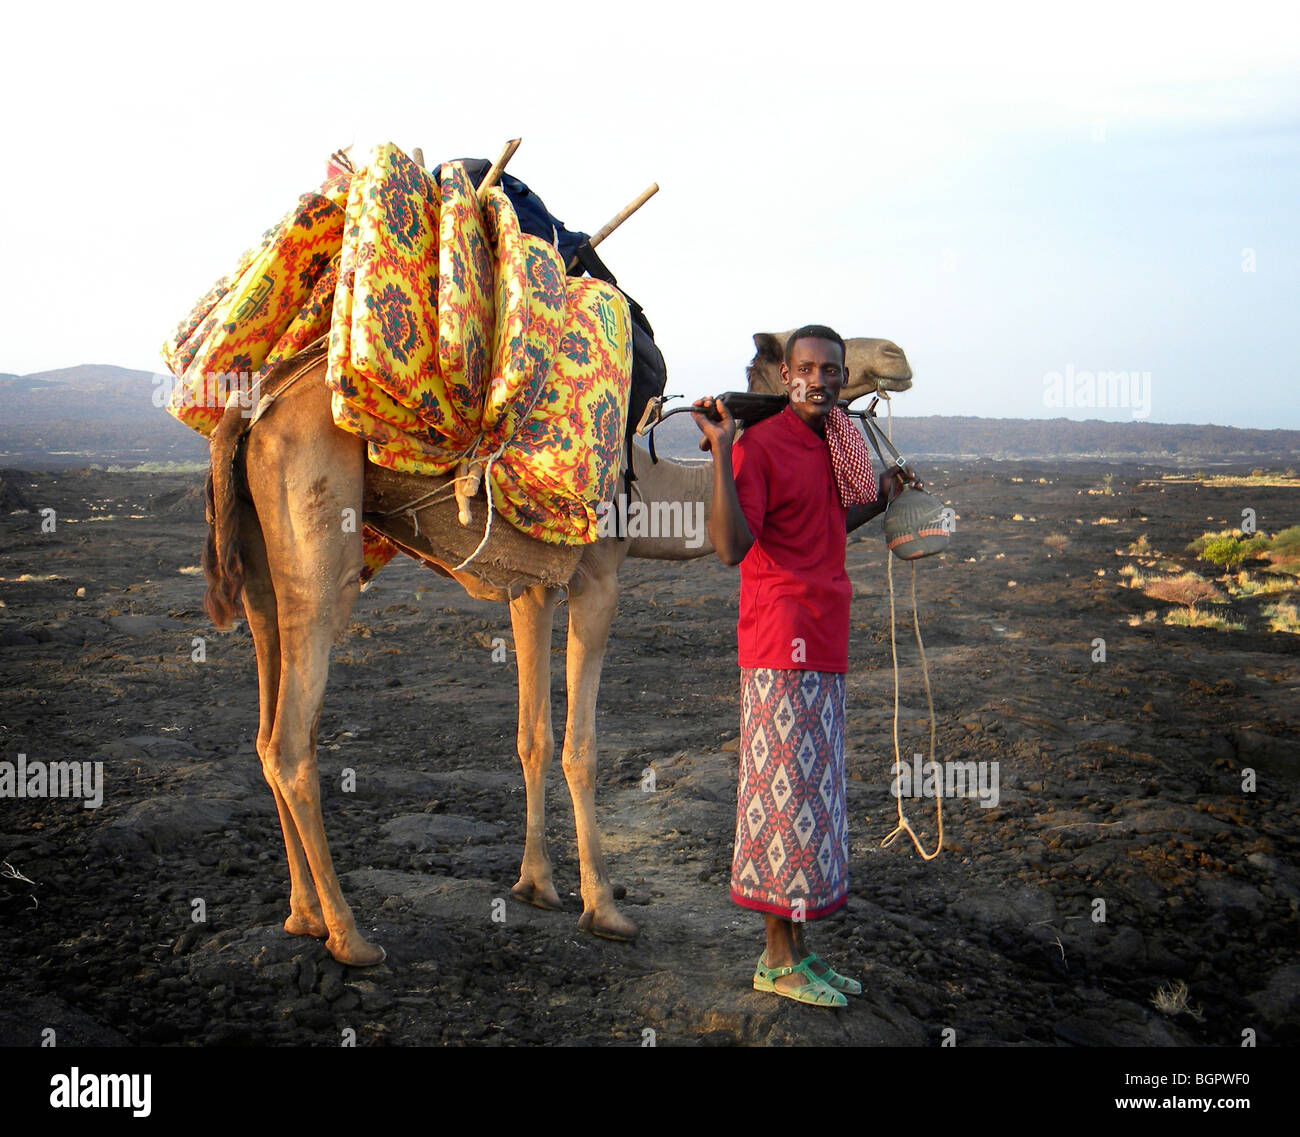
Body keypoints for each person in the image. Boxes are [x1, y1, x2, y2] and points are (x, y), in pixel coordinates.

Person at [692, 324, 911, 1008]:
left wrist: (884, 494)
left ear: (843, 379)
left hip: (824, 636)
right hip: (779, 641)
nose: (819, 380)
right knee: (781, 801)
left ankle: (802, 951)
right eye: (806, 368)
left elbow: (825, 525)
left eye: (831, 371)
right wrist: (726, 452)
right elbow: (729, 546)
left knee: (812, 803)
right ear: (787, 375)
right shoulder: (758, 444)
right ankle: (774, 960)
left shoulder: (836, 442)